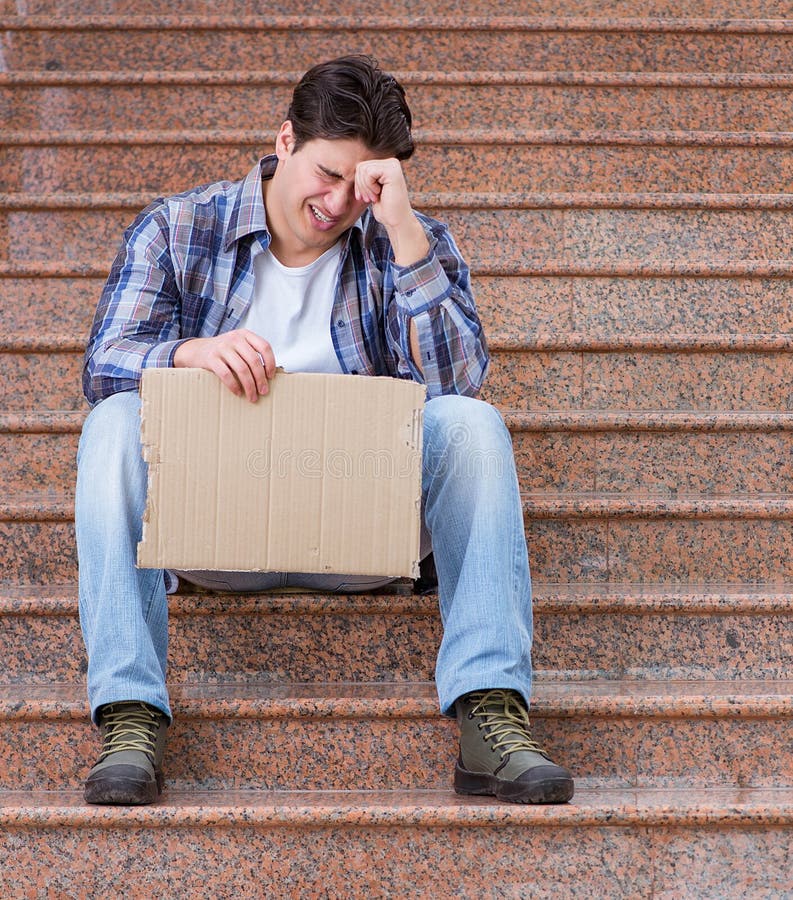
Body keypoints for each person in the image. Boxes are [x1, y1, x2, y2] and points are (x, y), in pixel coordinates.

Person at [77, 55, 574, 806]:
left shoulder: (403, 241)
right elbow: (102, 366)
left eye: (363, 183)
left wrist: (403, 228)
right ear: (283, 142)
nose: (338, 201)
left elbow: (458, 383)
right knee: (114, 423)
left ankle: (488, 713)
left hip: (359, 536)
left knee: (471, 425)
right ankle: (130, 712)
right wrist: (188, 353)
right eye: (325, 172)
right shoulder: (178, 229)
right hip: (213, 536)